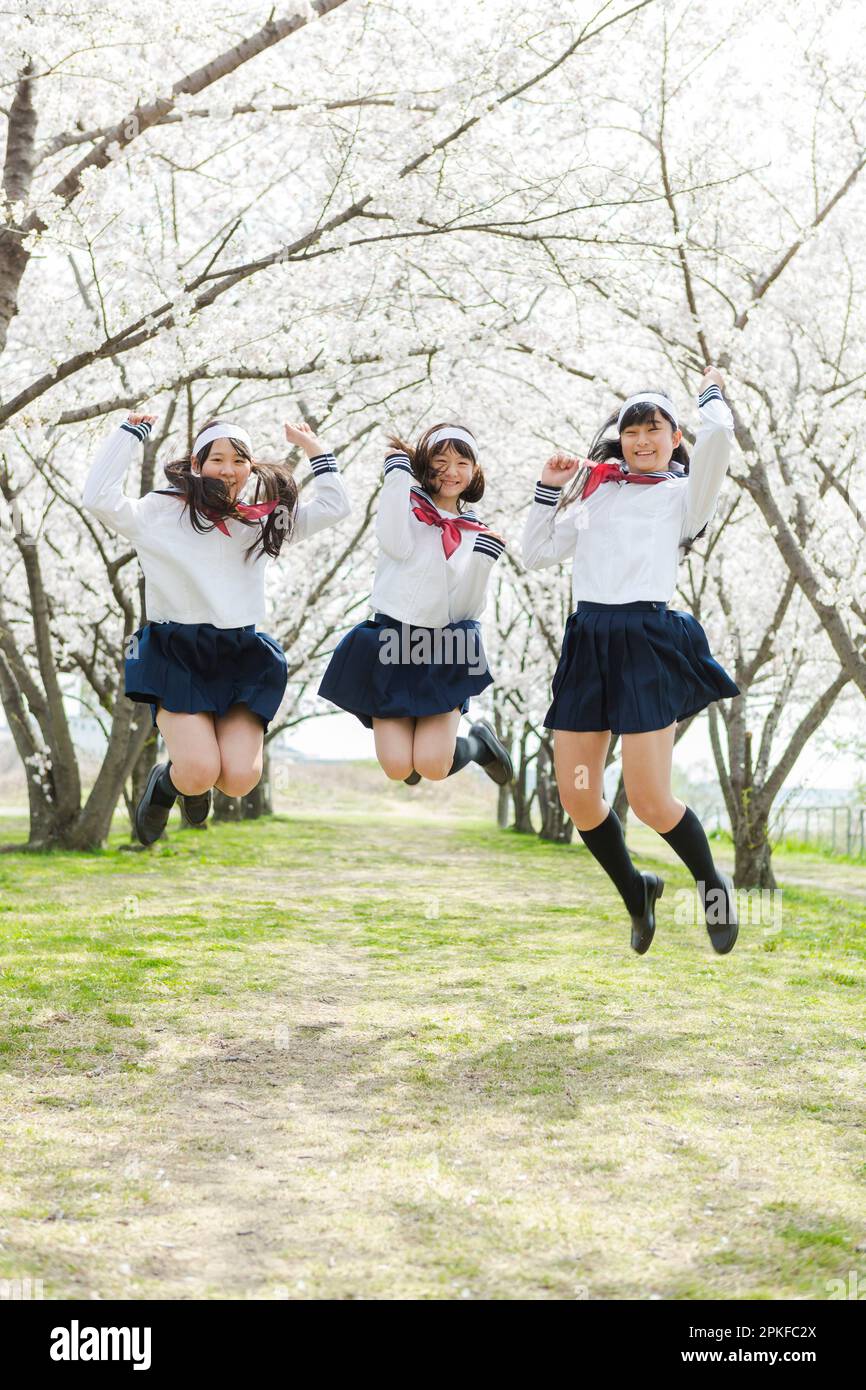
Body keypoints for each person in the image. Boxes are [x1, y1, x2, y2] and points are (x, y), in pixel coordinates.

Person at [522, 368, 739, 955]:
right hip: (589, 642)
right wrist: (549, 488)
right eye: (632, 431)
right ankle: (636, 890)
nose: (642, 441)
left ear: (674, 437)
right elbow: (536, 552)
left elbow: (719, 438)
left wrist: (711, 392)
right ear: (619, 438)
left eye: (654, 429)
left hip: (645, 643)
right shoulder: (598, 490)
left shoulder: (684, 497)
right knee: (578, 794)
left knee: (648, 799)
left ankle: (712, 884)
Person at [83, 412, 351, 844]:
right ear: (196, 464)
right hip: (176, 651)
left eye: (239, 460)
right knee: (198, 771)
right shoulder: (159, 511)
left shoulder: (261, 521)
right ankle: (168, 783)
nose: (228, 470)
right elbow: (99, 498)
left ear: (251, 467)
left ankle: (189, 780)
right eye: (217, 459)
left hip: (240, 654)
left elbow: (335, 508)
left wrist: (314, 450)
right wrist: (129, 435)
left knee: (239, 779)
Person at [318, 423, 512, 786]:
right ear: (425, 463)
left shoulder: (476, 533)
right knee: (397, 767)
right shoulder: (406, 506)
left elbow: (466, 610)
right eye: (441, 461)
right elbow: (395, 543)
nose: (451, 471)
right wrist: (396, 475)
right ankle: (421, 749)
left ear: (475, 471)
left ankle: (479, 746)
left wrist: (483, 561)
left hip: (445, 646)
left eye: (462, 463)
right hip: (391, 639)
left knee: (432, 765)